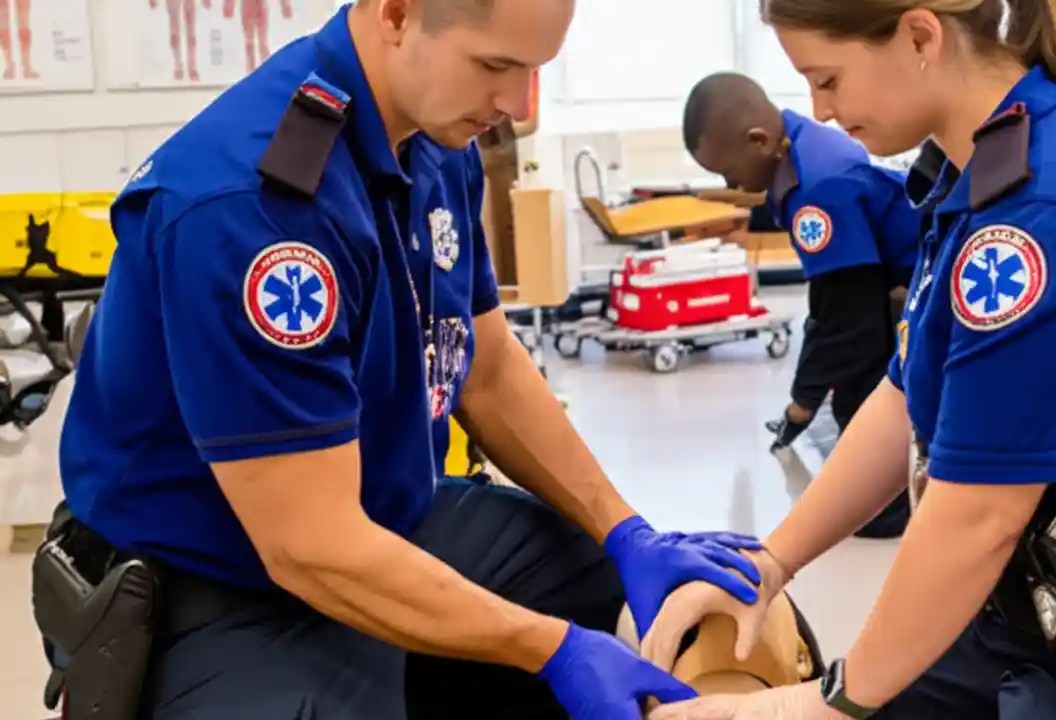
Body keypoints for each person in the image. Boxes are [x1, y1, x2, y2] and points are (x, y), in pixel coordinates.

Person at [34, 2, 768, 718]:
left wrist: (627, 532)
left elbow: (487, 367)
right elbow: (310, 548)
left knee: (678, 600)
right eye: (496, 65)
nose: (515, 103)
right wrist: (551, 649)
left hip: (379, 515)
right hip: (225, 585)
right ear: (395, 14)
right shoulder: (256, 208)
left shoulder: (437, 140)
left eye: (538, 69)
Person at [642, 0, 1056, 718]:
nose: (819, 112)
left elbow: (980, 515)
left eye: (828, 79)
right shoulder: (972, 177)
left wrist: (828, 705)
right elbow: (904, 394)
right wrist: (768, 564)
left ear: (919, 36)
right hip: (1052, 617)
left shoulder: (1051, 207)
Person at [682, 72, 920, 539]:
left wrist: (804, 402)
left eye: (729, 173)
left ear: (758, 140)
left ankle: (884, 512)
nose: (733, 184)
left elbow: (848, 322)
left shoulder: (816, 189)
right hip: (890, 267)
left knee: (863, 380)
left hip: (908, 274)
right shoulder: (799, 144)